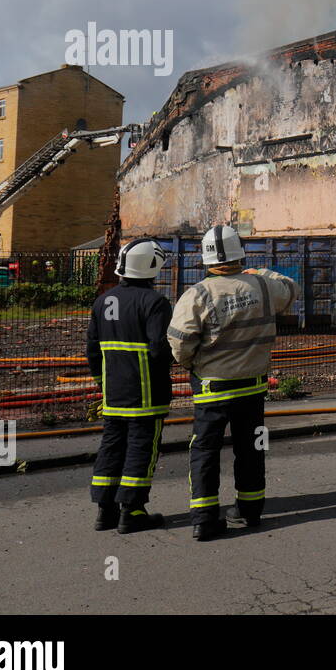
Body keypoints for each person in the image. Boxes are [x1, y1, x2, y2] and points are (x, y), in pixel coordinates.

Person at [168, 226, 299, 541]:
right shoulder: (264, 287)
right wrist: (259, 270)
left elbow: (179, 343)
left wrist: (194, 365)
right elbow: (291, 288)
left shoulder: (197, 294)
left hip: (212, 388)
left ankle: (204, 519)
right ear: (241, 253)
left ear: (207, 258)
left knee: (205, 451)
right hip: (252, 387)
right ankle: (250, 510)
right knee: (252, 448)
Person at [87, 239, 172, 534]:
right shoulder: (155, 302)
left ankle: (104, 509)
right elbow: (161, 349)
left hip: (113, 395)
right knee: (141, 449)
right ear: (152, 266)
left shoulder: (103, 301)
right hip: (146, 395)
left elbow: (93, 350)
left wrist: (102, 383)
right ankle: (132, 510)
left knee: (111, 447)